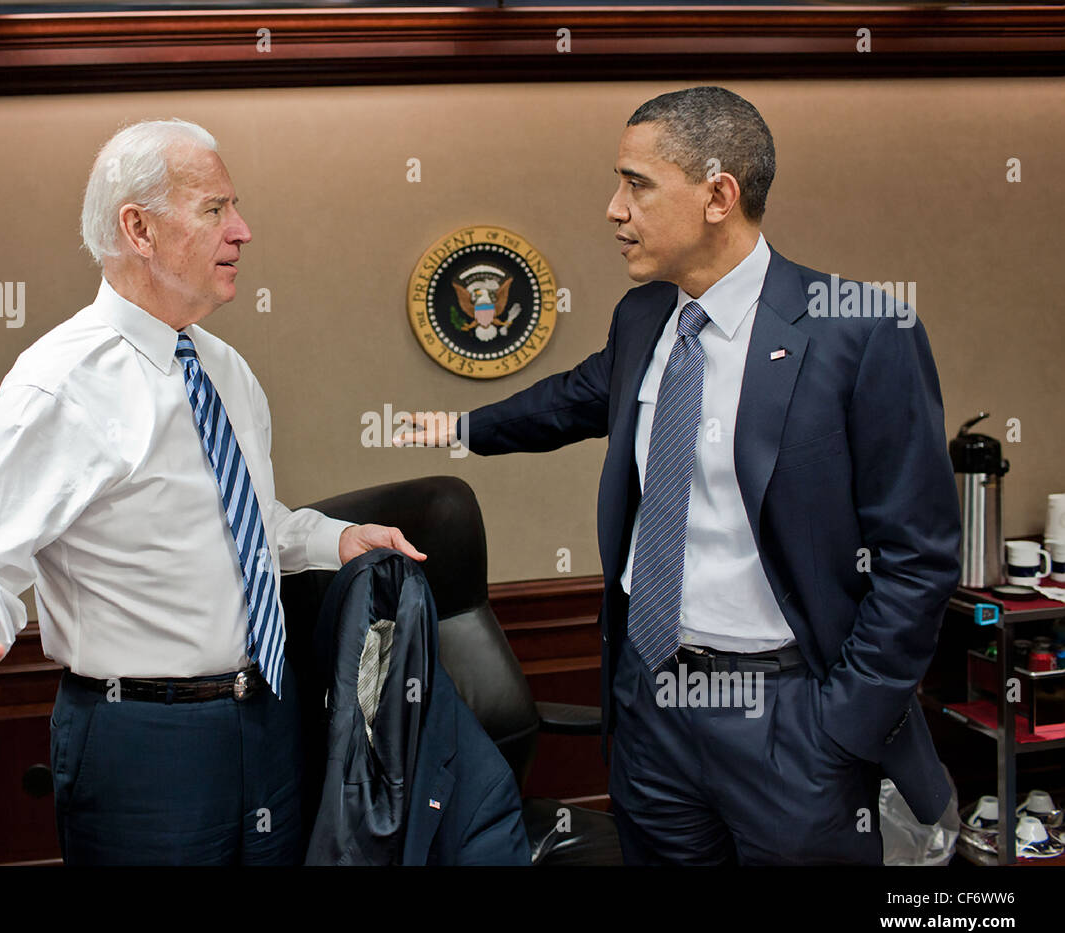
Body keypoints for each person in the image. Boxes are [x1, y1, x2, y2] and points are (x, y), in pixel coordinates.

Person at [400, 86, 961, 864]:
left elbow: (919, 557)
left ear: (717, 195)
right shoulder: (646, 319)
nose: (613, 209)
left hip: (792, 721)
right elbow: (572, 400)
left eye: (637, 183)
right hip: (652, 708)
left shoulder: (860, 330)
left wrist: (846, 725)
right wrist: (460, 429)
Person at [0, 118, 425, 865]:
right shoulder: (61, 383)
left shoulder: (227, 370)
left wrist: (334, 540)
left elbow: (246, 523)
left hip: (269, 718)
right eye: (215, 209)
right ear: (139, 229)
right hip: (144, 744)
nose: (243, 231)